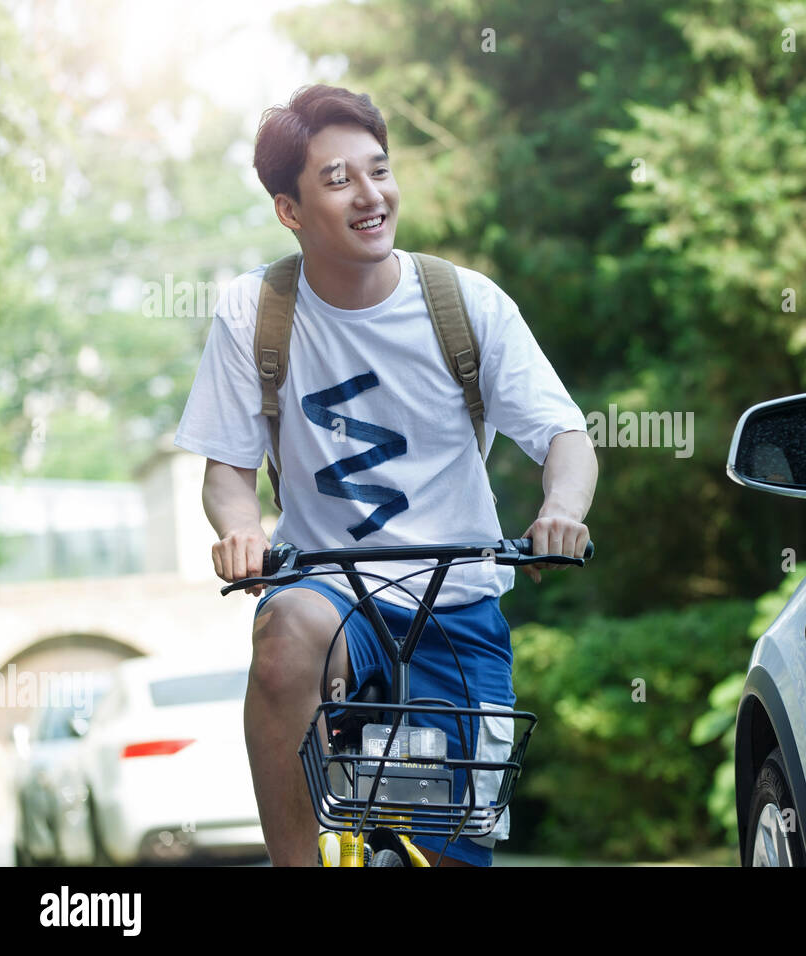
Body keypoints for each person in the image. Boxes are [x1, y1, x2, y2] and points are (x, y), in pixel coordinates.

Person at [173, 85, 598, 866]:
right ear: (289, 211)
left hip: (459, 604)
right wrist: (241, 530)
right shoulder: (253, 313)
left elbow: (565, 435)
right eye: (338, 180)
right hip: (333, 596)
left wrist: (560, 511)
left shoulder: (465, 304)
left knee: (449, 856)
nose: (370, 196)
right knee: (281, 635)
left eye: (379, 170)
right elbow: (226, 471)